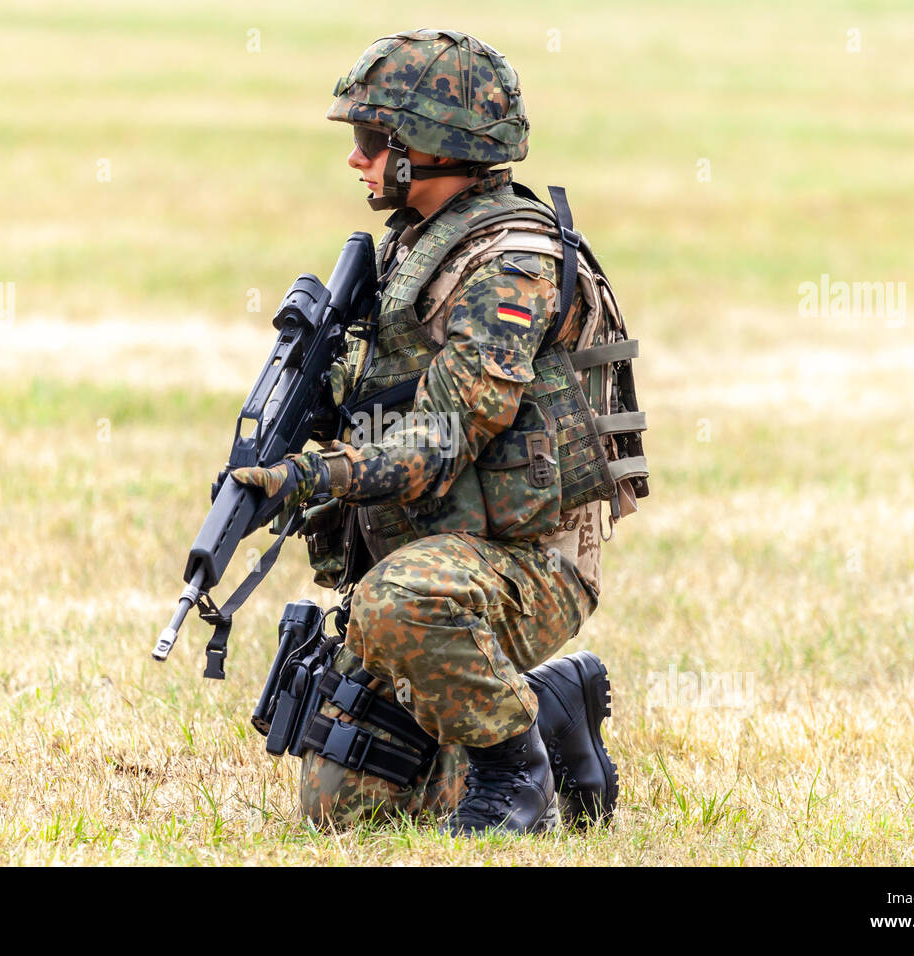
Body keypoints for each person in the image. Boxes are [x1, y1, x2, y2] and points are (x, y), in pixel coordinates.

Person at [232, 28, 648, 835]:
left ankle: (514, 768)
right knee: (343, 809)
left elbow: (445, 439)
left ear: (427, 151)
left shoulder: (511, 264)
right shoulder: (417, 245)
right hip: (439, 555)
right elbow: (385, 396)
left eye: (368, 140)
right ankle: (550, 705)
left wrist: (316, 479)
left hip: (529, 561)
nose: (355, 160)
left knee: (397, 605)